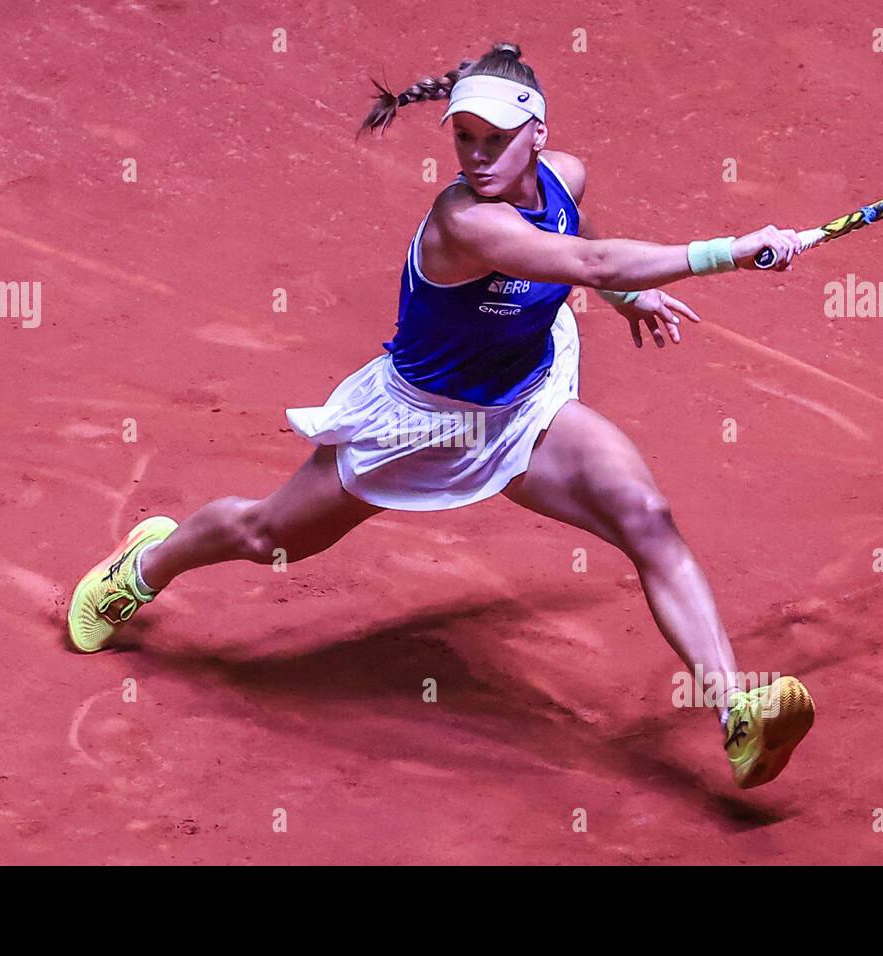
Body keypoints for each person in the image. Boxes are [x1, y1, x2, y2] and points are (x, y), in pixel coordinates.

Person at [68, 41, 814, 789]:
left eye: (496, 139)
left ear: (538, 136)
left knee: (646, 516)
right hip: (419, 421)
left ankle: (734, 712)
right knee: (268, 535)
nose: (478, 156)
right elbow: (587, 265)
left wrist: (630, 297)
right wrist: (734, 252)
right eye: (464, 138)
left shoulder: (566, 179)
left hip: (524, 403)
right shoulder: (464, 222)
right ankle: (143, 565)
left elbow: (578, 246)